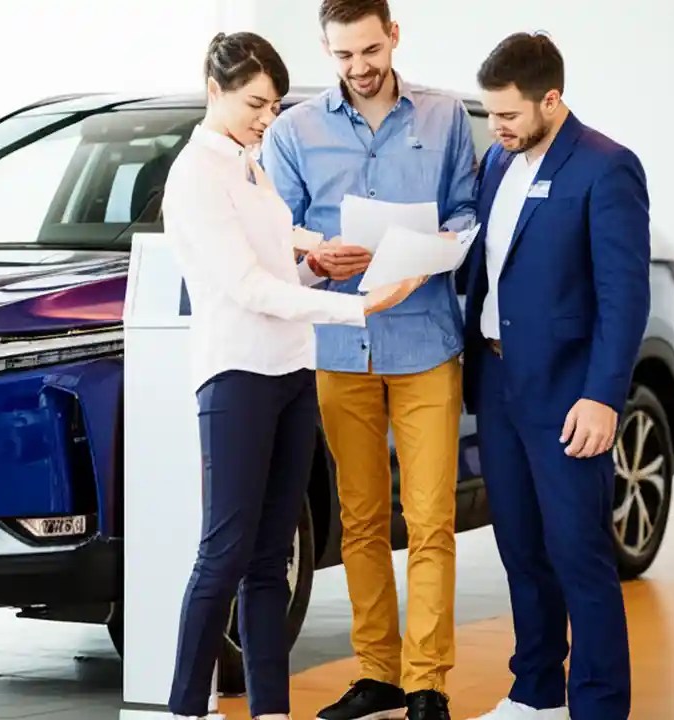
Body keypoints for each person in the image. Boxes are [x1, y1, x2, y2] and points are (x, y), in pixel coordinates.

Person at [161, 31, 426, 720]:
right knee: (224, 553)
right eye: (254, 103)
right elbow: (246, 288)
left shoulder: (251, 166)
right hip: (238, 376)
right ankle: (184, 708)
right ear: (213, 90)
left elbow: (276, 268)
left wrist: (315, 266)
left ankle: (272, 710)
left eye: (275, 106)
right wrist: (357, 306)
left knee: (272, 557)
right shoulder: (196, 174)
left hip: (288, 370)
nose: (266, 119)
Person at [259, 1, 477, 718]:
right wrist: (314, 254)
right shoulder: (294, 131)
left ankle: (427, 683)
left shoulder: (444, 119)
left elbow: (468, 216)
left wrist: (431, 256)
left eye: (370, 50)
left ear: (393, 37)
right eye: (344, 55)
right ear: (328, 51)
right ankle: (378, 671)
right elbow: (277, 232)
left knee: (430, 518)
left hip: (425, 342)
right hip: (338, 345)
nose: (359, 67)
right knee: (358, 519)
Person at [461, 32, 649, 720]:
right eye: (490, 115)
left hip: (570, 395)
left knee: (579, 556)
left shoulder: (606, 168)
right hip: (500, 385)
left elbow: (625, 296)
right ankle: (535, 691)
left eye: (508, 114)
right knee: (520, 549)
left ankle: (597, 707)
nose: (497, 127)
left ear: (552, 99)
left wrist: (603, 395)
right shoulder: (497, 164)